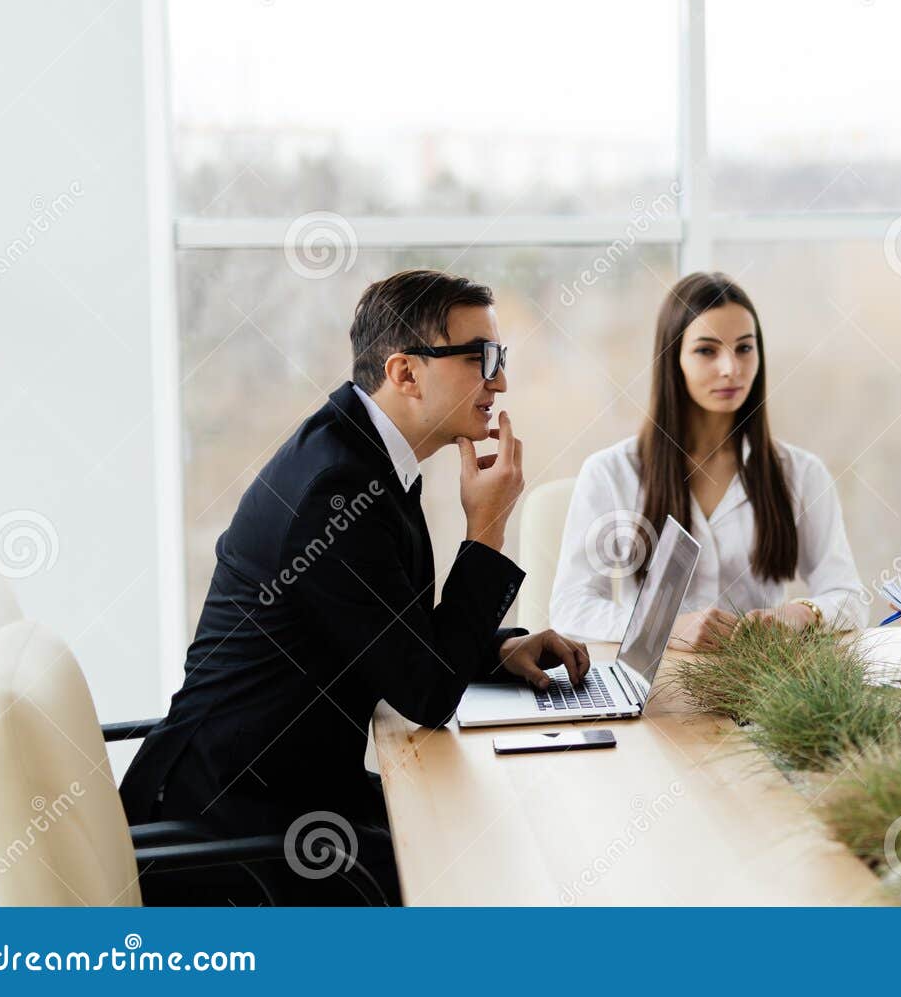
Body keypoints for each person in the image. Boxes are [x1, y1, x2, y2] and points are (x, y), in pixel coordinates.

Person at [121, 269, 589, 903]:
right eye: (482, 358)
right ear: (404, 373)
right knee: (483, 872)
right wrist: (487, 530)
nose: (500, 381)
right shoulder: (336, 488)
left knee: (491, 839)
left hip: (288, 792)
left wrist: (494, 648)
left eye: (499, 357)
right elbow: (425, 695)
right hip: (231, 826)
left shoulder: (362, 454)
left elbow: (392, 637)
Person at [551, 272, 864, 647]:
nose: (731, 368)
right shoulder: (610, 472)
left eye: (744, 348)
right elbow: (572, 606)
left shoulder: (800, 472)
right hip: (656, 689)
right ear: (674, 359)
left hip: (763, 687)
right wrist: (663, 627)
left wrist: (797, 614)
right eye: (707, 351)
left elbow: (849, 596)